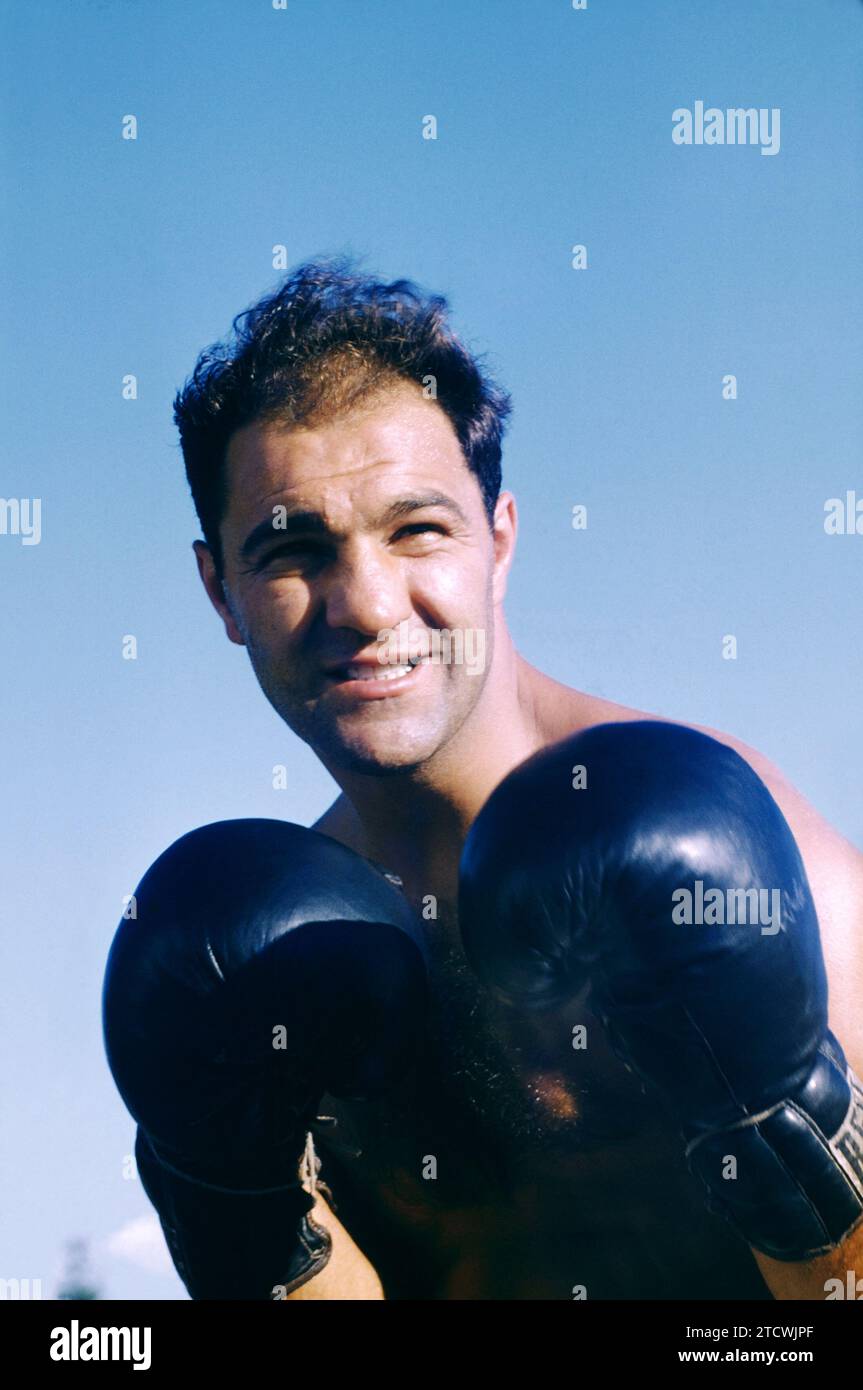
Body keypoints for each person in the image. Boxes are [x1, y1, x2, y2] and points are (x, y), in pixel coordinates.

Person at [103, 257, 863, 1300]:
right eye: (292, 550)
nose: (367, 605)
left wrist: (795, 1143)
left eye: (416, 530)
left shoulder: (737, 856)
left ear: (498, 543)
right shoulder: (262, 963)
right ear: (219, 591)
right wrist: (231, 1212)